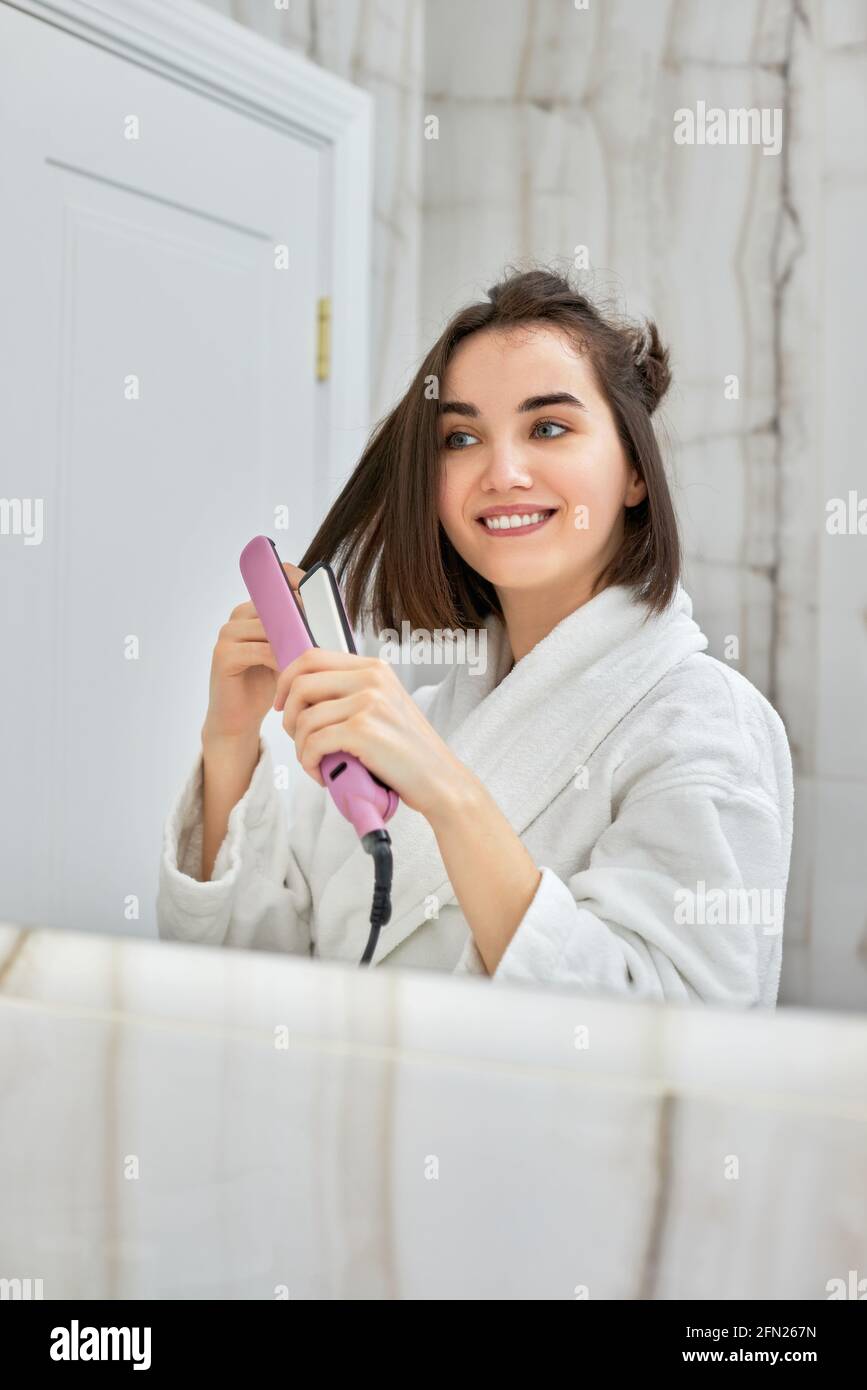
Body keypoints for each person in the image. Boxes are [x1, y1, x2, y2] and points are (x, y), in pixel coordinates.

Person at [156, 268, 793, 1005]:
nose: (502, 472)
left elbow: (670, 1036)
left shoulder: (703, 724)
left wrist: (448, 793)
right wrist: (228, 746)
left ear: (633, 472)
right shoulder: (414, 719)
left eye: (547, 427)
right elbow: (242, 991)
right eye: (460, 437)